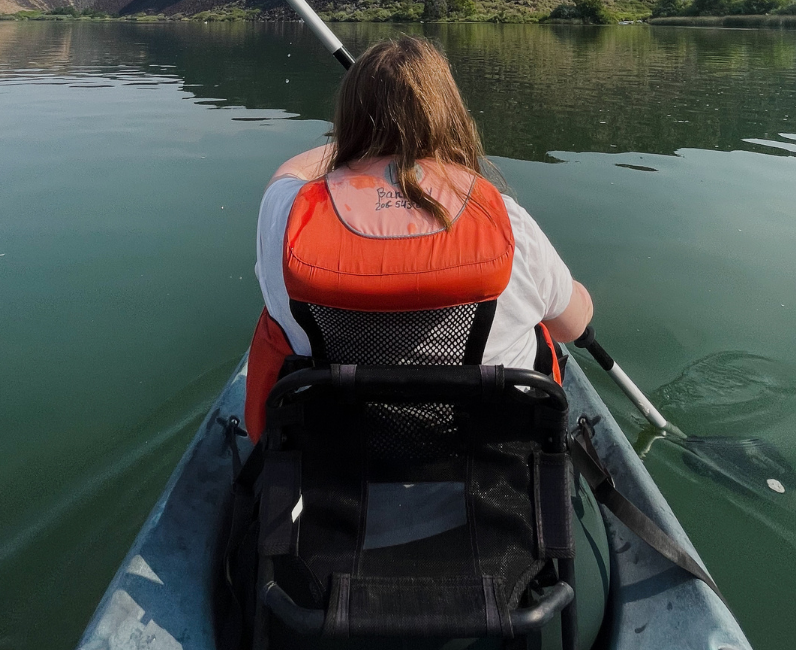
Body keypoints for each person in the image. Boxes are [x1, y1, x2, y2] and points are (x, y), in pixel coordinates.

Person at [244, 35, 593, 440]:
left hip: (332, 452)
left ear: (348, 122)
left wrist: (362, 143)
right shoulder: (506, 221)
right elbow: (571, 326)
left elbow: (288, 174)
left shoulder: (286, 215)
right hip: (486, 458)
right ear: (451, 120)